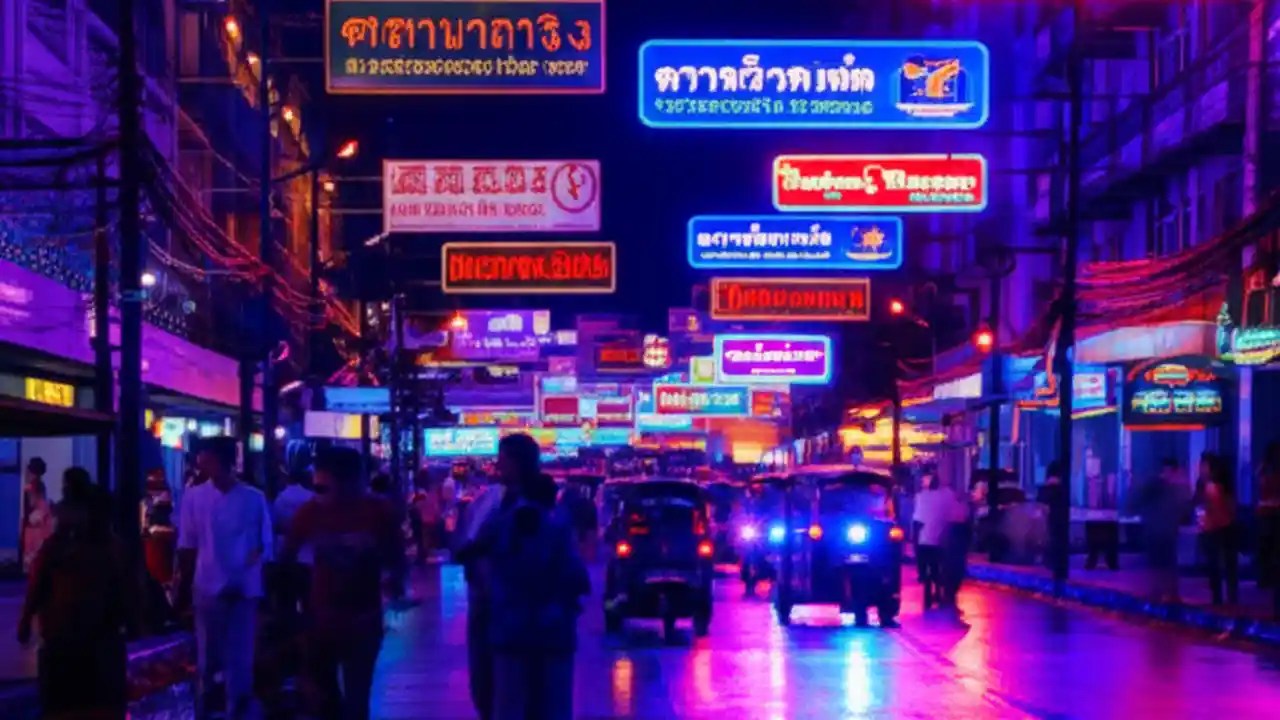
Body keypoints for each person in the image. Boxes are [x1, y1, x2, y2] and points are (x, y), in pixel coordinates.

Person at [283, 447, 405, 720]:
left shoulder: (375, 510)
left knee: (353, 697)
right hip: (330, 618)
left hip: (355, 618)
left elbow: (396, 556)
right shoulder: (312, 511)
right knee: (332, 697)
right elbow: (287, 561)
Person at [18, 474, 136, 719]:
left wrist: (26, 620)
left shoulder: (64, 548)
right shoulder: (105, 548)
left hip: (75, 643)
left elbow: (37, 584)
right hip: (88, 644)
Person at [176, 437, 273, 720]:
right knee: (207, 657)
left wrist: (243, 577)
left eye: (206, 457)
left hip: (243, 591)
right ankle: (209, 708)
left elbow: (263, 546)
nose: (201, 463)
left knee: (240, 657)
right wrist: (183, 587)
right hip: (206, 587)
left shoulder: (253, 498)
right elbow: (188, 544)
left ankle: (235, 710)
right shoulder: (194, 497)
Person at [487, 475, 589, 720]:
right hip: (554, 631)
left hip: (510, 628)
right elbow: (576, 577)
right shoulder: (559, 527)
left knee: (510, 702)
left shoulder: (501, 524)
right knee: (555, 703)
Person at [454, 433, 541, 720]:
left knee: (520, 687)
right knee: (483, 682)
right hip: (484, 604)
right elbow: (465, 544)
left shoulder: (540, 505)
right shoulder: (486, 500)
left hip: (524, 610)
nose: (498, 465)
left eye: (503, 460)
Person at [1129, 458, 1191, 603]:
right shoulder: (1159, 486)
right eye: (1165, 471)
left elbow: (1183, 509)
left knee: (1165, 564)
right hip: (1159, 532)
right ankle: (1160, 593)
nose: (1167, 474)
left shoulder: (1174, 488)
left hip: (1164, 532)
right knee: (1160, 564)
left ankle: (1166, 593)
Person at [913, 471, 966, 610]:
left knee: (921, 550)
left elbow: (917, 521)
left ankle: (923, 574)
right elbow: (958, 517)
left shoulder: (922, 497)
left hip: (927, 541)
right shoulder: (948, 495)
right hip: (942, 542)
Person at [1197, 452, 1239, 606]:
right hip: (1211, 526)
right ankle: (1218, 596)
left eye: (1204, 465)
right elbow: (1200, 504)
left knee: (1227, 562)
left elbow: (1230, 504)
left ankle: (1230, 596)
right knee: (1214, 563)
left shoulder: (1220, 484)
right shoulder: (1203, 484)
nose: (1201, 468)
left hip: (1224, 526)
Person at [273, 468, 315, 617]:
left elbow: (276, 524)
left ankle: (290, 633)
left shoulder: (281, 498)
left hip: (286, 555)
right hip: (309, 557)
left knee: (287, 601)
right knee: (309, 602)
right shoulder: (311, 498)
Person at [21, 459, 54, 576]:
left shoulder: (30, 487)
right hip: (42, 523)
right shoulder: (40, 485)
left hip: (34, 525)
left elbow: (31, 505)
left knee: (33, 559)